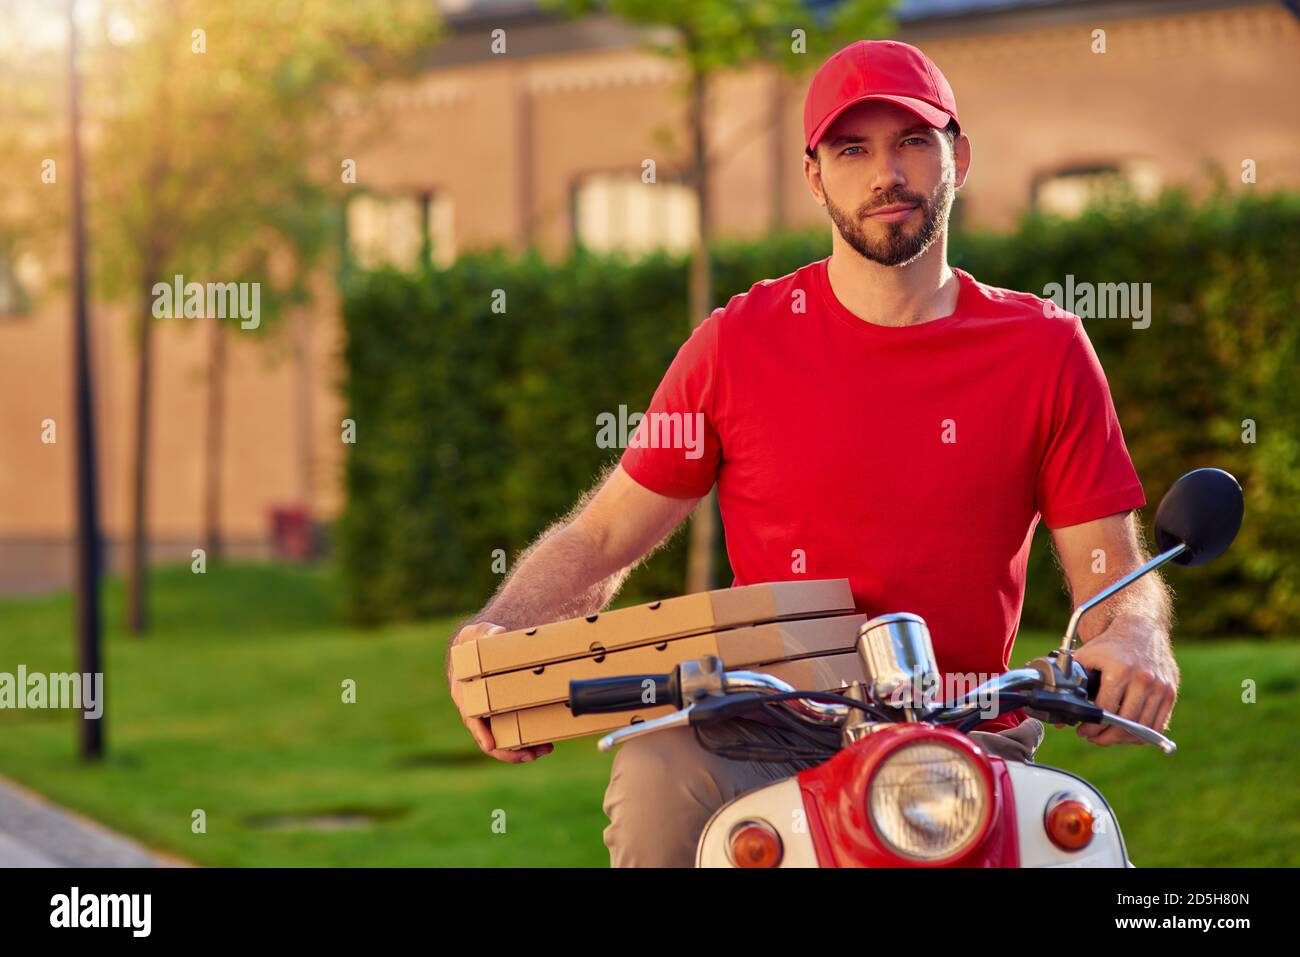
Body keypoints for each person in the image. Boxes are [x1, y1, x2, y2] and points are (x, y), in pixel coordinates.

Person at [446, 39, 1176, 867]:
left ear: (958, 157)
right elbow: (605, 536)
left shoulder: (1045, 348)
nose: (884, 175)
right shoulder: (736, 345)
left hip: (963, 732)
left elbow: (1111, 574)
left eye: (911, 141)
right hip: (762, 725)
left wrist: (1136, 636)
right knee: (654, 769)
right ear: (814, 176)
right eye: (852, 149)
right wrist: (502, 630)